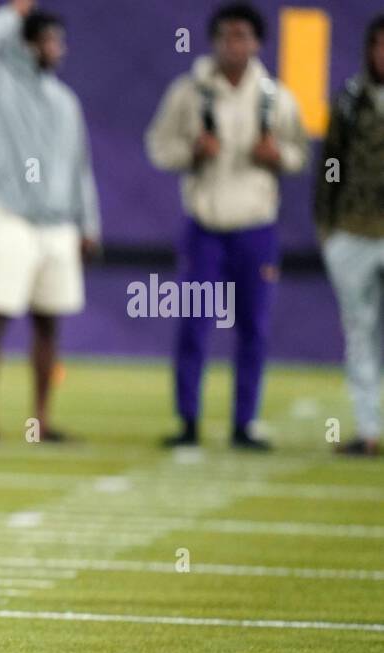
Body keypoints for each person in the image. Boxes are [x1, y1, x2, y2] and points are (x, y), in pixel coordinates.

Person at [147, 2, 308, 451]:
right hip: (206, 225)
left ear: (258, 43)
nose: (233, 44)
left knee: (254, 327)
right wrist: (192, 153)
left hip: (256, 227)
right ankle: (188, 421)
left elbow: (299, 153)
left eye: (242, 36)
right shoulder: (191, 92)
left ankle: (245, 422)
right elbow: (159, 147)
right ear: (214, 41)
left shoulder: (275, 96)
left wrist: (279, 157)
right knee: (194, 325)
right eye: (226, 36)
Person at [0, 0, 100, 443]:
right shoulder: (0, 84)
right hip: (7, 215)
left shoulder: (66, 101)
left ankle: (39, 422)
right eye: (47, 39)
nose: (56, 47)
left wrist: (88, 223)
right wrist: (16, 11)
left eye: (59, 39)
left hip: (57, 224)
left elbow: (80, 168)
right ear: (27, 44)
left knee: (49, 322)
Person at [315, 15, 384, 458]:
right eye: (379, 45)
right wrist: (328, 227)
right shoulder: (349, 100)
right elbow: (329, 166)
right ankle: (369, 429)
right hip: (353, 232)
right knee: (359, 331)